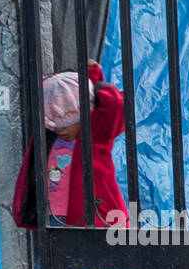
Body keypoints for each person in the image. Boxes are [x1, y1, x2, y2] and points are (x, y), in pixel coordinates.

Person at [12, 61, 128, 229]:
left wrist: (94, 83)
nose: (59, 130)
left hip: (94, 219)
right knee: (52, 255)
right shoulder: (50, 136)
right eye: (53, 124)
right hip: (53, 216)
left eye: (65, 123)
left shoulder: (96, 134)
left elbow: (118, 106)